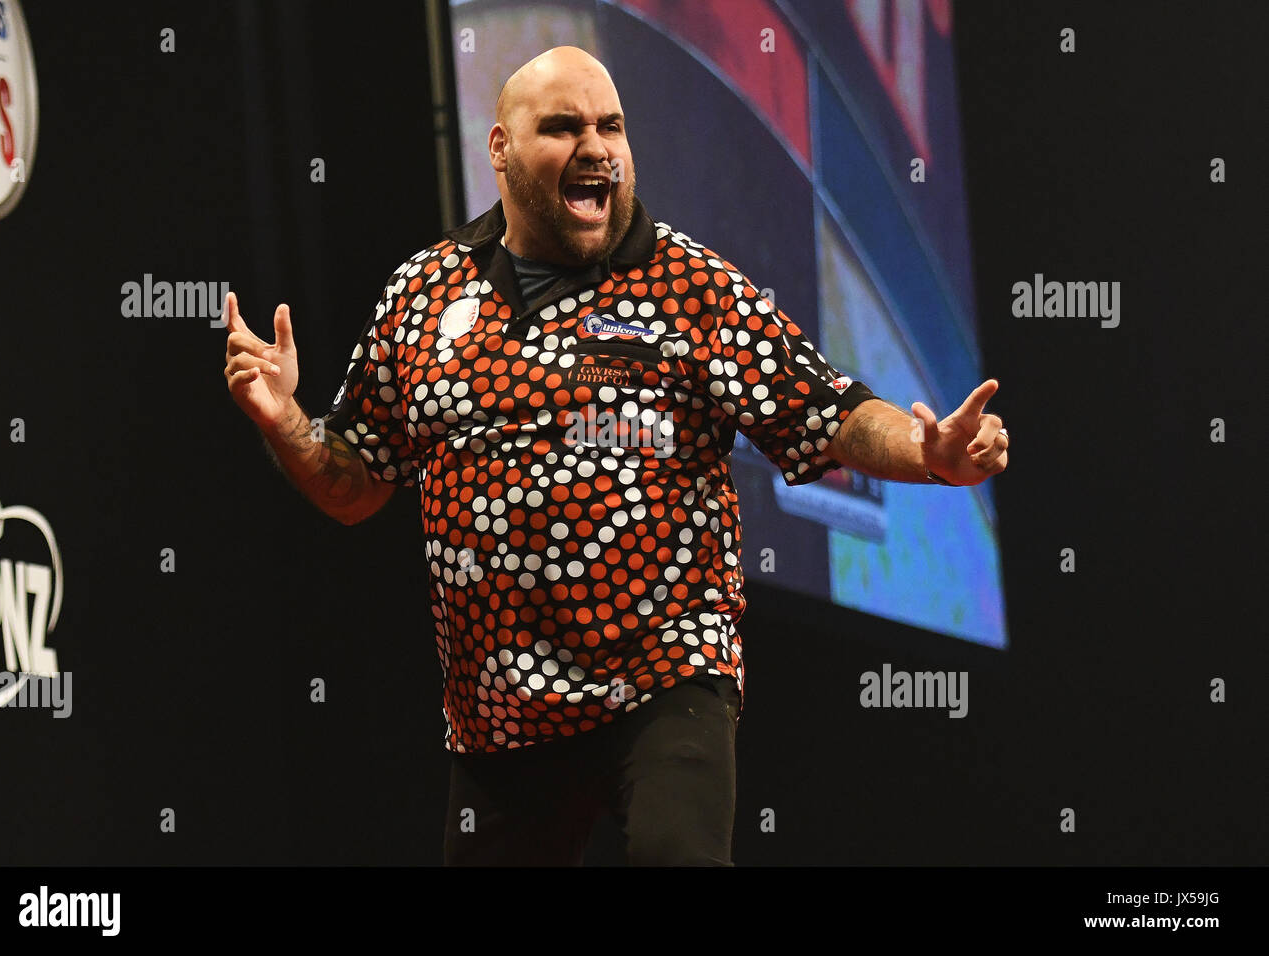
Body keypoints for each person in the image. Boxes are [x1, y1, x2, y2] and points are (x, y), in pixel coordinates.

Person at [223, 46, 1009, 865]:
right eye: (563, 127)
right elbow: (355, 484)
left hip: (665, 678)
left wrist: (927, 450)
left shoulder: (693, 289)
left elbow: (827, 412)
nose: (596, 147)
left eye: (612, 127)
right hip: (501, 715)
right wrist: (285, 422)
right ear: (498, 149)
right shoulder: (425, 296)